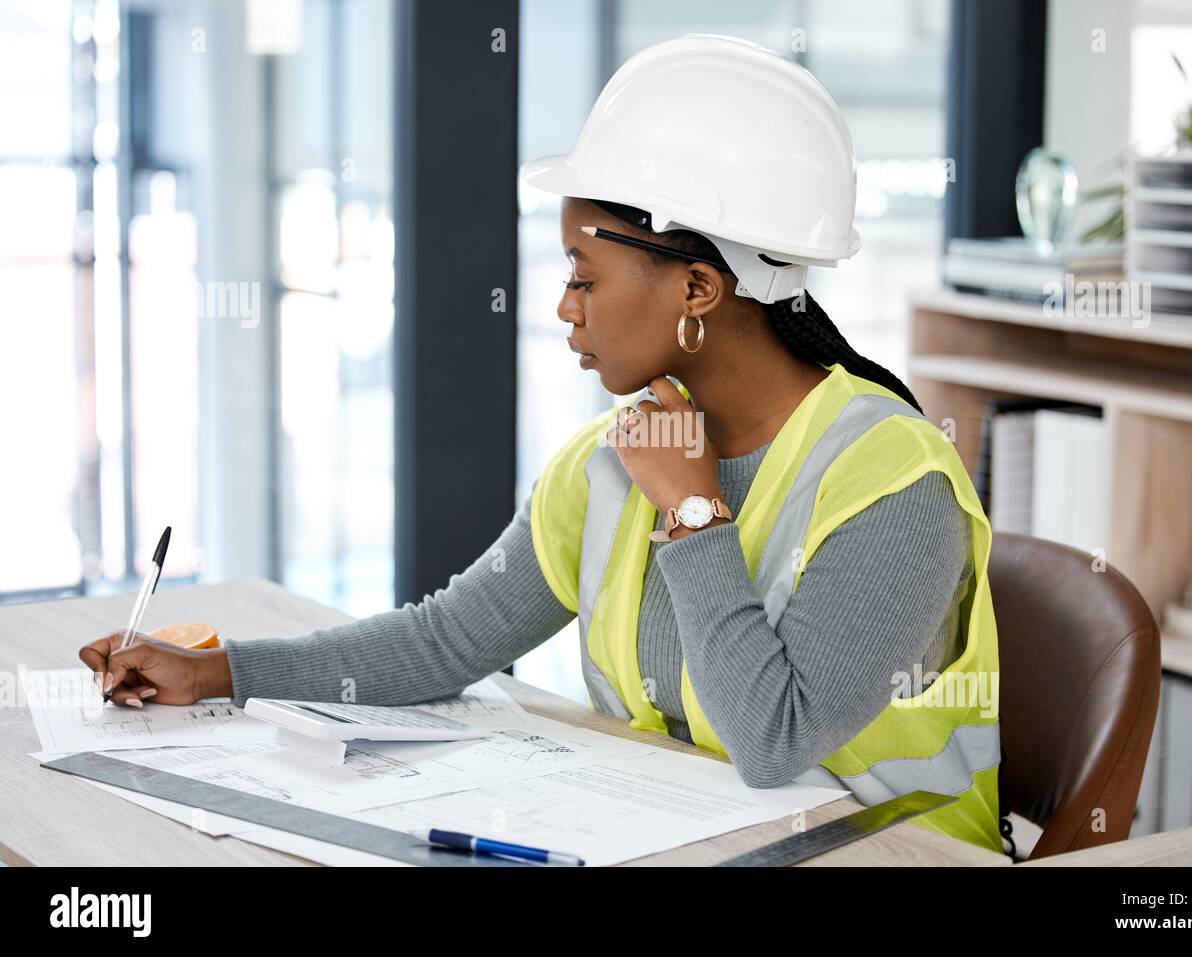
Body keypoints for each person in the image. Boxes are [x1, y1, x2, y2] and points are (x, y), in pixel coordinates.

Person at [79, 35, 1002, 852]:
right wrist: (218, 670)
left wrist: (691, 513)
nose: (565, 307)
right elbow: (446, 640)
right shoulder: (610, 462)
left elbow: (774, 740)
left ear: (697, 290)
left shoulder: (894, 482)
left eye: (584, 274)